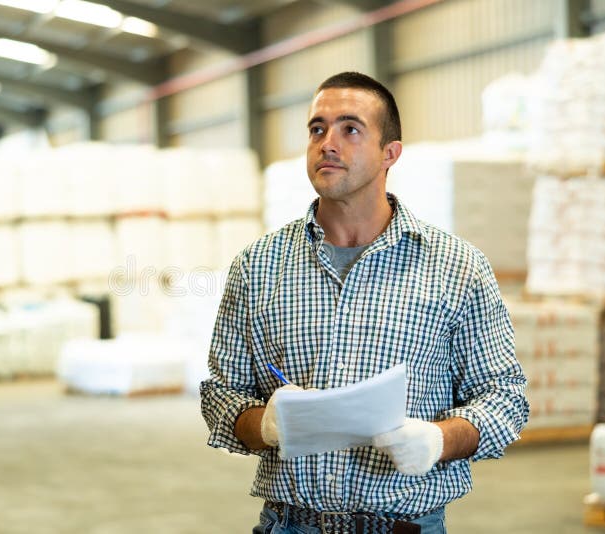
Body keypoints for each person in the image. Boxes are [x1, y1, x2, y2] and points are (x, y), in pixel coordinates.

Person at [200, 71, 529, 534]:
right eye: (318, 129)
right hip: (290, 525)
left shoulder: (458, 267)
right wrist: (266, 425)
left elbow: (505, 399)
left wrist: (439, 439)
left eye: (350, 129)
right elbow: (221, 394)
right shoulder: (257, 267)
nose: (327, 143)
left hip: (404, 525)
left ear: (389, 153)